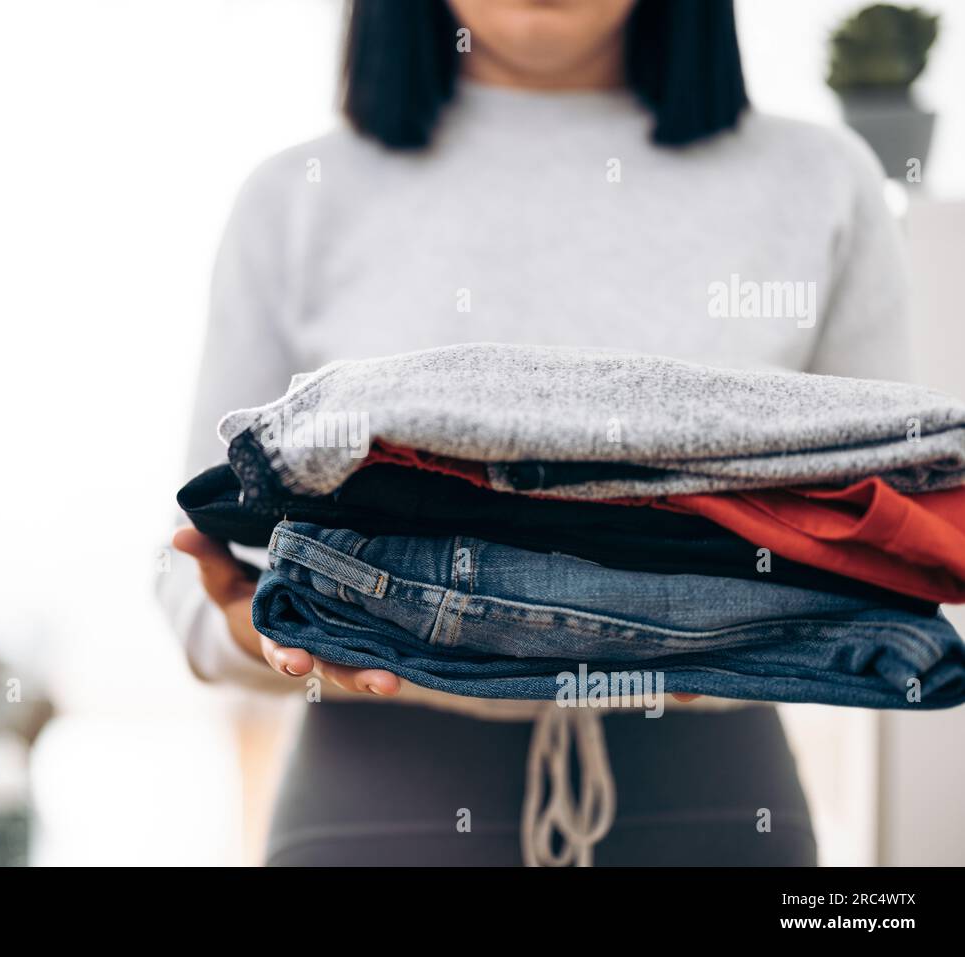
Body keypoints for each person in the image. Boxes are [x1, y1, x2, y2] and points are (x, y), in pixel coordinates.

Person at [159, 0, 909, 865]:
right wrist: (252, 628)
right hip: (378, 806)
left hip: (713, 809)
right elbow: (195, 560)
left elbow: (886, 518)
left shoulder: (820, 182)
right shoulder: (296, 196)